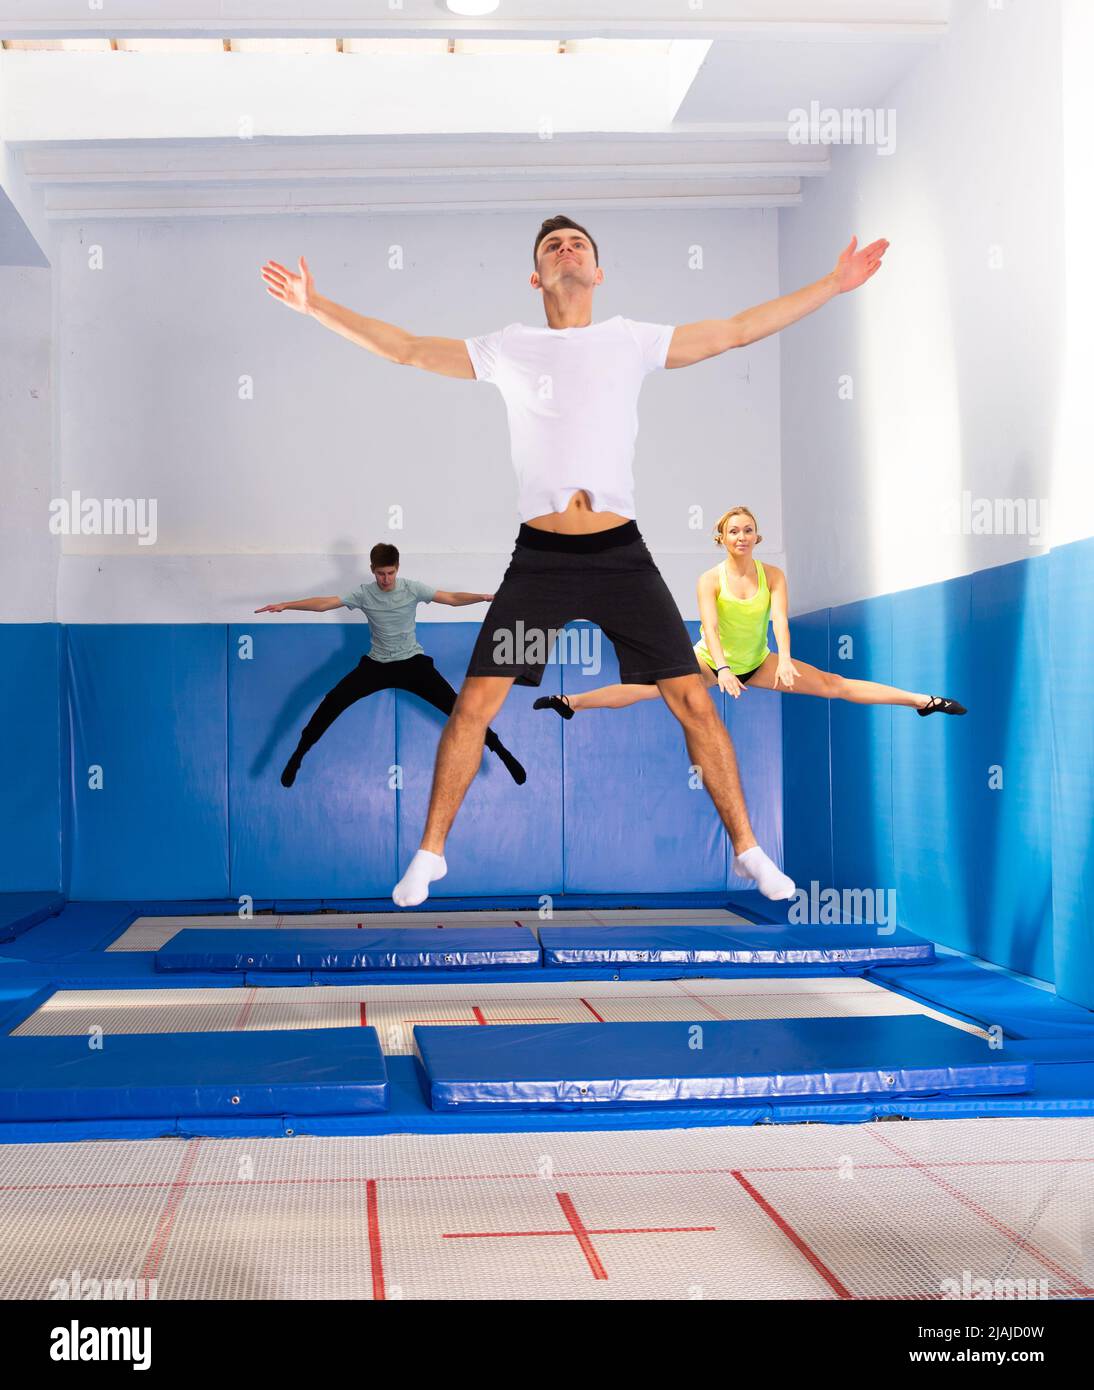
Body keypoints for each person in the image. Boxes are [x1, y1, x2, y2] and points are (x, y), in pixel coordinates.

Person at [260, 215, 890, 905]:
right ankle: (430, 854)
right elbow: (407, 348)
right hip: (542, 564)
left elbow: (736, 329)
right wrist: (314, 305)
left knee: (692, 700)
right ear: (537, 277)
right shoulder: (507, 348)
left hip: (621, 558)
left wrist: (833, 284)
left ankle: (746, 849)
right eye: (553, 247)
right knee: (475, 703)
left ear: (598, 271)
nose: (567, 251)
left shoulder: (631, 340)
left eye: (579, 246)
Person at [533, 505, 967, 718]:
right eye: (733, 531)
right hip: (708, 660)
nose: (742, 536)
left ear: (757, 536)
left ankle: (920, 700)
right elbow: (710, 626)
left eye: (748, 530)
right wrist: (720, 670)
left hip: (758, 661)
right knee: (650, 689)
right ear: (720, 538)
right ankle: (571, 700)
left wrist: (786, 662)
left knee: (834, 684)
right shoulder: (710, 578)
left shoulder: (772, 574)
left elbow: (778, 619)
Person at [255, 543, 526, 787]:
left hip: (412, 665)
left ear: (397, 569)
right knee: (331, 702)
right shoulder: (363, 594)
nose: (386, 579)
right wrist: (286, 605)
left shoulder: (412, 588)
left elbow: (452, 599)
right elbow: (325, 603)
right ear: (372, 570)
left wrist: (484, 597)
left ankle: (501, 750)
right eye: (381, 573)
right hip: (377, 666)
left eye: (390, 573)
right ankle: (298, 755)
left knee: (458, 709)